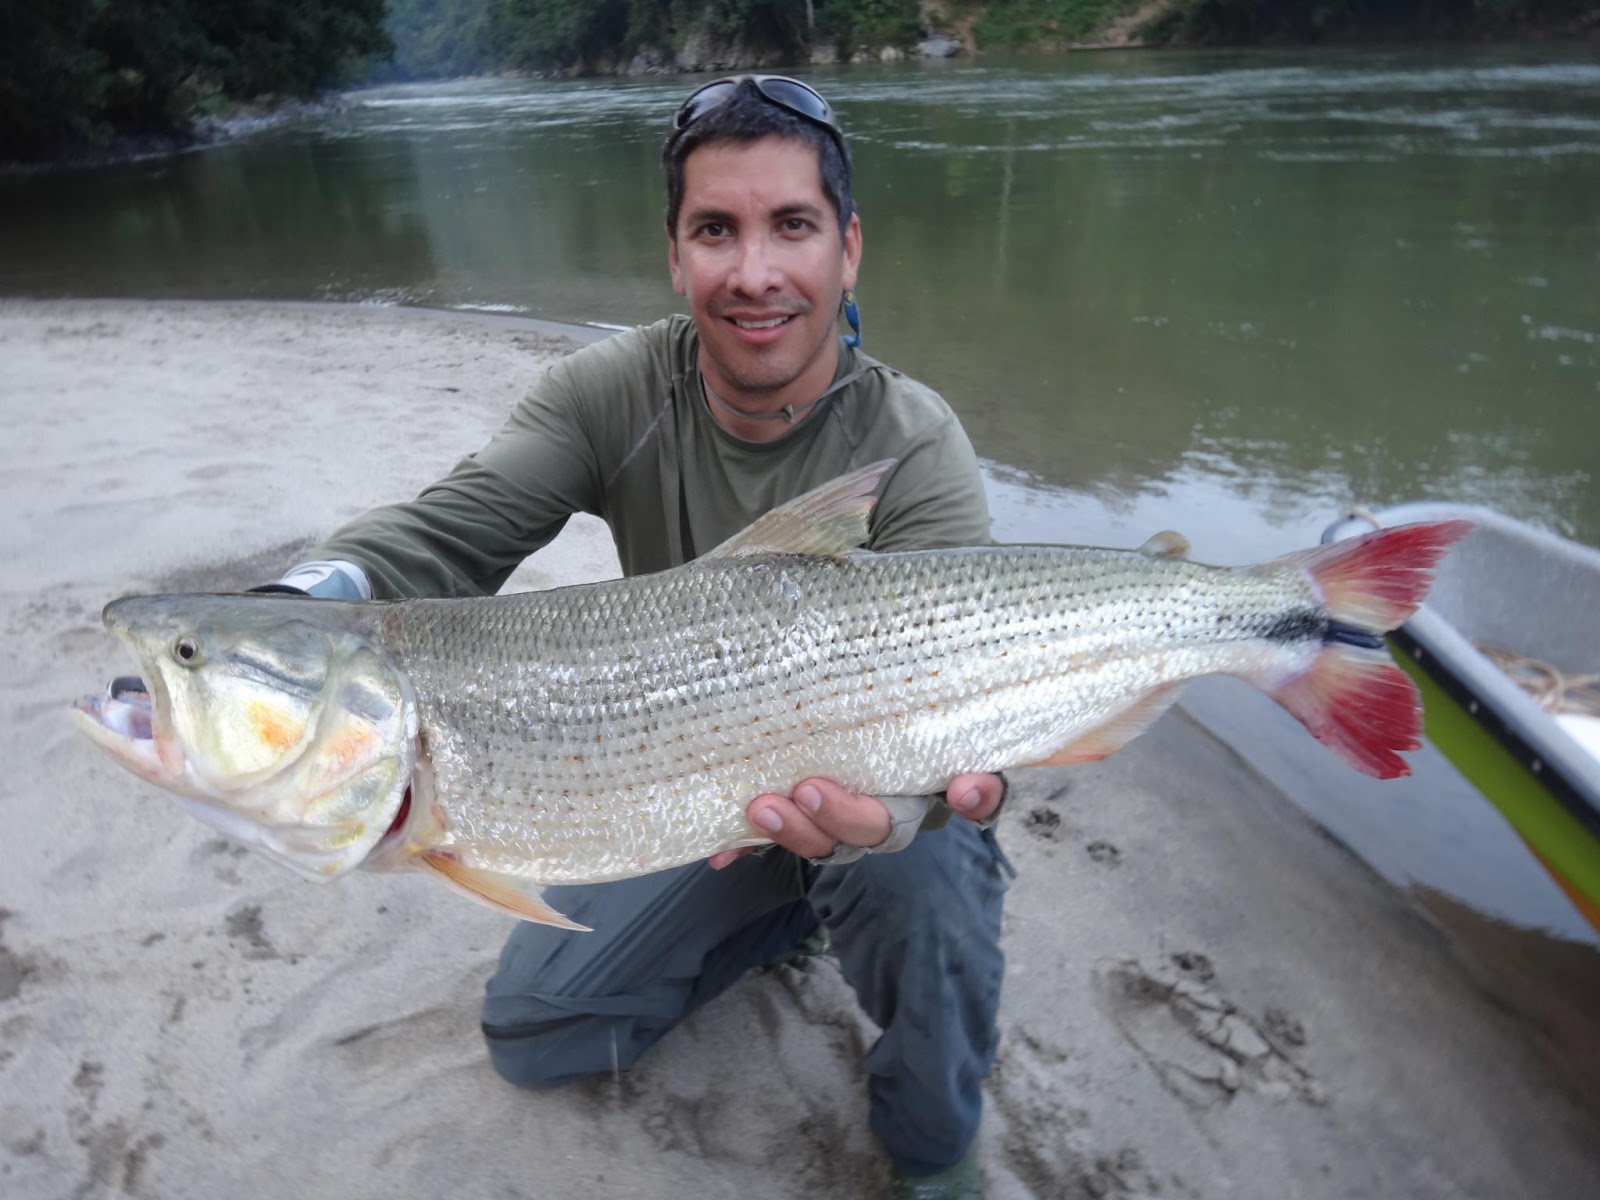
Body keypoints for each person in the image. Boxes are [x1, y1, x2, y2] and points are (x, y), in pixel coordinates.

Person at [271, 76, 1011, 1199]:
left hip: (875, 775)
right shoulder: (609, 392)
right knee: (534, 1031)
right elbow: (441, 538)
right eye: (716, 230)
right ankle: (779, 920)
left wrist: (890, 820)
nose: (753, 273)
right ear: (675, 254)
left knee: (926, 865)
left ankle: (934, 1145)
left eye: (791, 227)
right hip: (677, 771)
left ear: (848, 249)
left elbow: (981, 719)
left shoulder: (914, 442)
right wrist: (293, 608)